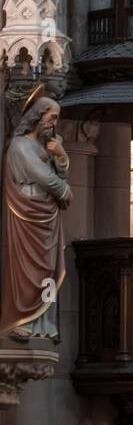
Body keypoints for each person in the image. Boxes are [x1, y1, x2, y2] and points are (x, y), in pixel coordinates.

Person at [1, 92, 73, 339]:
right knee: (29, 272)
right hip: (28, 213)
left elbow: (60, 175)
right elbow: (44, 177)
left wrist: (61, 155)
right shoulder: (21, 145)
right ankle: (24, 321)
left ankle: (46, 322)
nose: (54, 124)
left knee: (50, 272)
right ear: (37, 117)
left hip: (49, 216)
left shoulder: (48, 147)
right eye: (52, 118)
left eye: (56, 119)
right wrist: (64, 191)